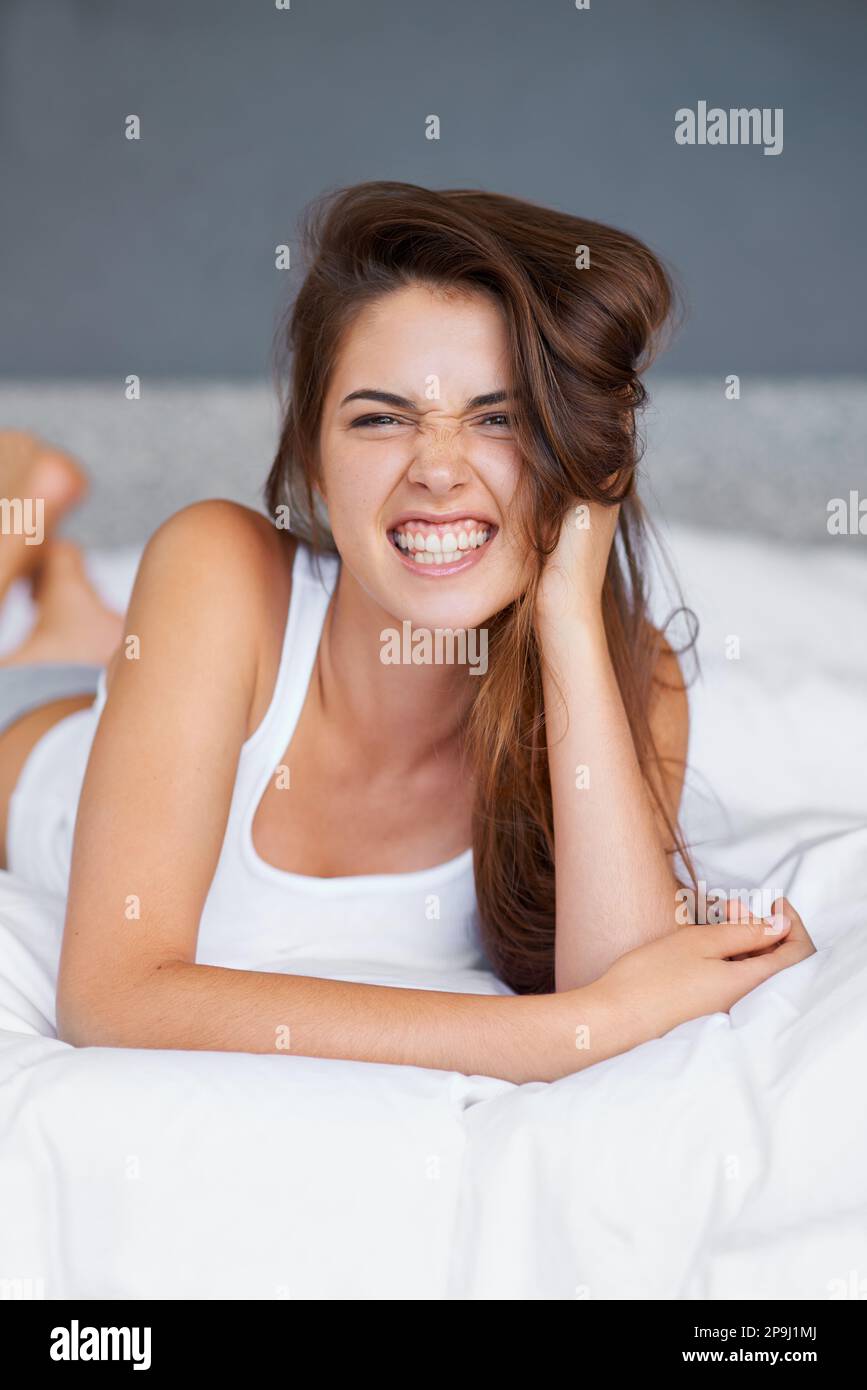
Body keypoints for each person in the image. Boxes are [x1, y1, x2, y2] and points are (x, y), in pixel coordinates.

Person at [0, 182, 814, 1083]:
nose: (436, 470)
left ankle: (68, 603)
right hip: (32, 740)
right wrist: (572, 1029)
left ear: (576, 460)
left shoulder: (633, 674)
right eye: (382, 418)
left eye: (497, 419)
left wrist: (568, 613)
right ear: (312, 452)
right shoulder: (215, 562)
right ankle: (20, 518)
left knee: (102, 647)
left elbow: (616, 969)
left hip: (171, 683)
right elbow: (114, 997)